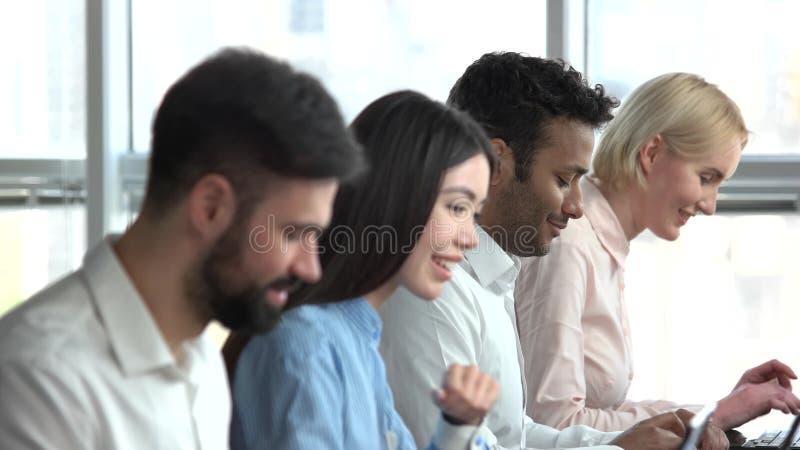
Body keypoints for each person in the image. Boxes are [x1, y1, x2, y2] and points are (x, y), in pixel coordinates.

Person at [0, 47, 364, 448]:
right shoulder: (40, 379)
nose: (311, 269)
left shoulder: (202, 366)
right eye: (295, 234)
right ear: (211, 208)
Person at [379, 52, 728, 450]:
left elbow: (515, 436)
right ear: (496, 162)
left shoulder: (492, 276)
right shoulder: (433, 291)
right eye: (564, 180)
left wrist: (623, 441)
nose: (577, 206)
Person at [514, 72, 800, 432]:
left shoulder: (605, 243)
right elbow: (557, 423)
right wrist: (714, 417)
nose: (710, 206)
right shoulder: (570, 241)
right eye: (707, 177)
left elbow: (604, 410)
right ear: (651, 153)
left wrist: (718, 409)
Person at [229, 90, 500, 450]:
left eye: (475, 213)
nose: (471, 239)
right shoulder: (307, 345)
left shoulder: (356, 339)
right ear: (398, 195)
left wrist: (456, 426)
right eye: (456, 207)